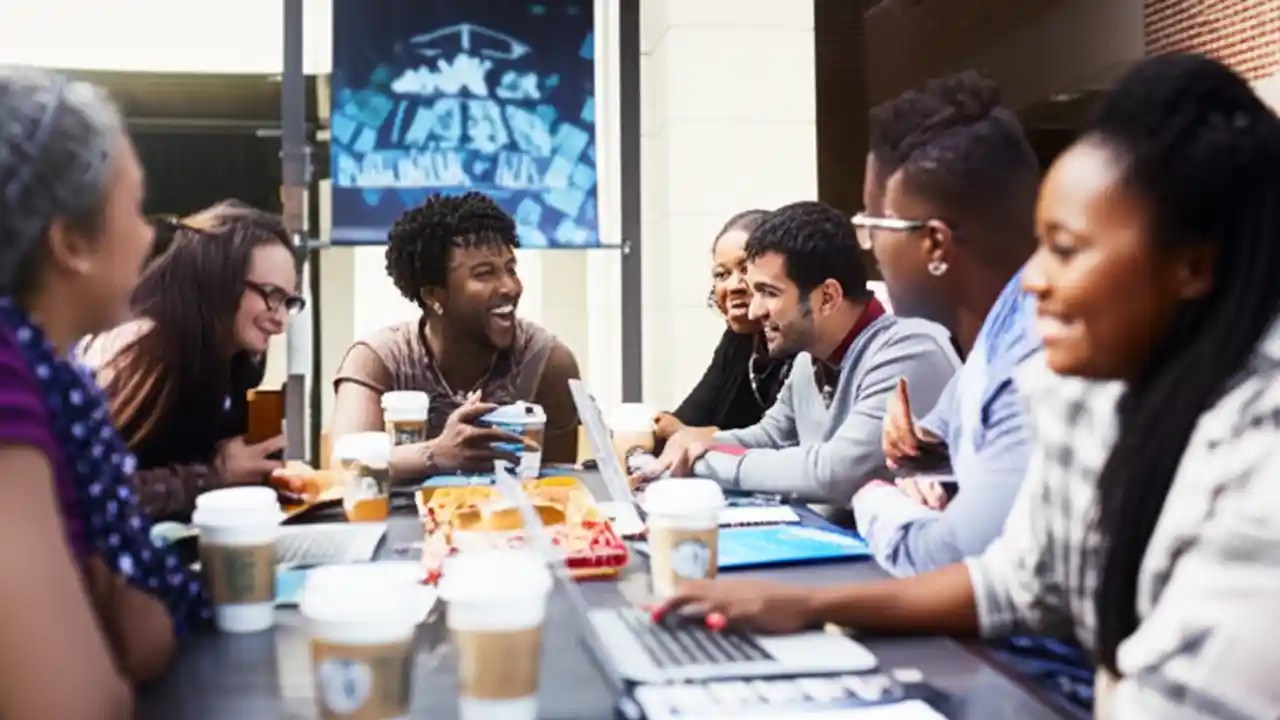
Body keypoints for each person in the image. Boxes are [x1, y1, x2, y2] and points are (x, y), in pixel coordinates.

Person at [657, 54, 1280, 718]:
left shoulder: (1257, 465)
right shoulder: (1083, 392)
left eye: (1065, 248)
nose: (1034, 280)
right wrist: (801, 604)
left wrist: (872, 493)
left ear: (1189, 267)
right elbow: (1015, 581)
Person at [0, 68, 207, 718]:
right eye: (136, 208)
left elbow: (139, 635)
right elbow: (76, 700)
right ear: (70, 242)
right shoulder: (9, 369)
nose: (150, 236)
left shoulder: (54, 373)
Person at [639, 201, 959, 507]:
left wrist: (703, 464)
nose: (755, 309)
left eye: (769, 293)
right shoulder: (809, 360)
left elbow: (834, 474)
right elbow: (770, 436)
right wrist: (698, 444)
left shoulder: (911, 350)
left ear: (827, 296)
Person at [851, 71, 1041, 575]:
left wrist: (872, 500)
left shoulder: (1036, 354)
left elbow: (961, 561)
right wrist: (924, 458)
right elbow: (924, 446)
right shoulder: (996, 341)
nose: (869, 249)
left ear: (934, 244)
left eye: (873, 226)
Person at [333, 191, 581, 480]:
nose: (510, 287)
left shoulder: (546, 362)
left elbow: (561, 487)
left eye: (510, 269)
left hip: (507, 522)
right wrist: (436, 454)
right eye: (484, 273)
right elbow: (343, 470)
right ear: (434, 294)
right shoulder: (379, 359)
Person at [80, 201, 299, 521]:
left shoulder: (231, 361)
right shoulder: (146, 351)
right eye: (270, 295)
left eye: (288, 302)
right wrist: (213, 475)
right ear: (218, 279)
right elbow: (82, 496)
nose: (280, 321)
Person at [652, 209, 795, 441]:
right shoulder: (737, 340)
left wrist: (707, 437)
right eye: (722, 274)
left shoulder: (802, 343)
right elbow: (689, 419)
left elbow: (781, 443)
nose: (733, 285)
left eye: (746, 269)